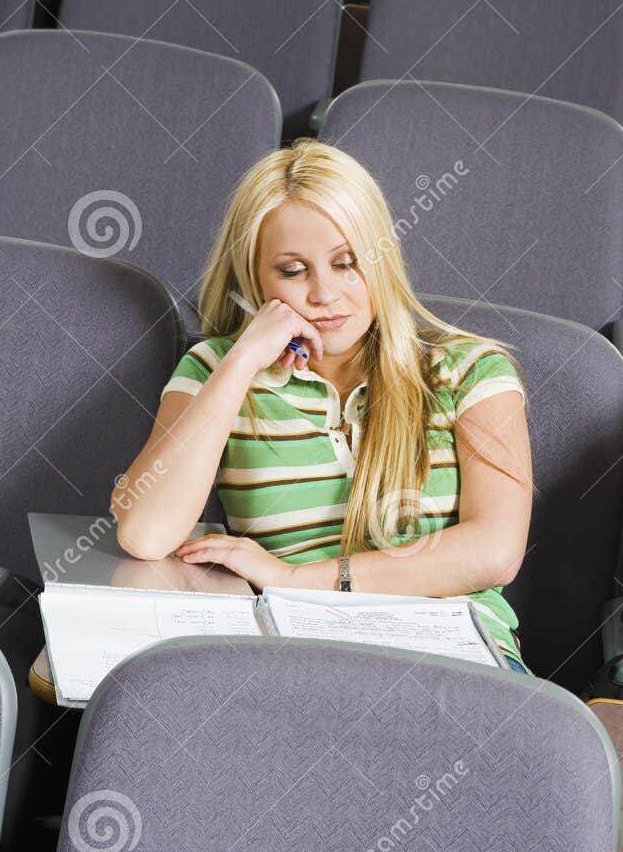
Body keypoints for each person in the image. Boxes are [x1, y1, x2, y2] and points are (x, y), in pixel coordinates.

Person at [112, 141, 535, 670]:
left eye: (347, 263)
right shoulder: (216, 367)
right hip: (300, 663)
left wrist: (299, 580)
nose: (324, 293)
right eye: (292, 271)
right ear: (254, 277)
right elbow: (145, 532)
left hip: (454, 664)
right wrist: (242, 361)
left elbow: (495, 552)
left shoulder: (472, 368)